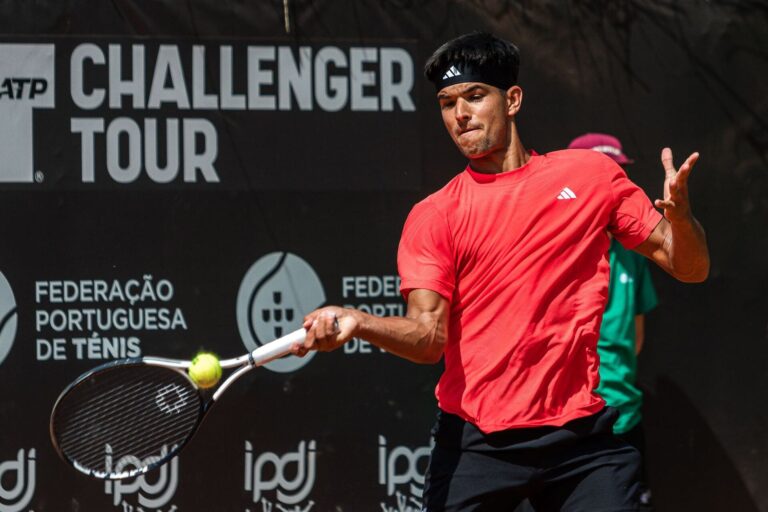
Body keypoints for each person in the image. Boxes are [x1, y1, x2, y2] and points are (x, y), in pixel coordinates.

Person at [295, 32, 710, 511]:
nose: (460, 114)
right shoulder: (435, 216)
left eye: (474, 96)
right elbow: (429, 337)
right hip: (477, 444)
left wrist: (682, 219)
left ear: (512, 99)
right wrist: (360, 321)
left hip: (581, 441)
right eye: (447, 103)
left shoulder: (590, 178)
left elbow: (690, 268)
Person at [568, 133, 660, 510]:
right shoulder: (552, 248)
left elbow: (633, 339)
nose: (610, 189)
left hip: (623, 419)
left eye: (617, 175)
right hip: (565, 426)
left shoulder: (634, 252)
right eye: (599, 176)